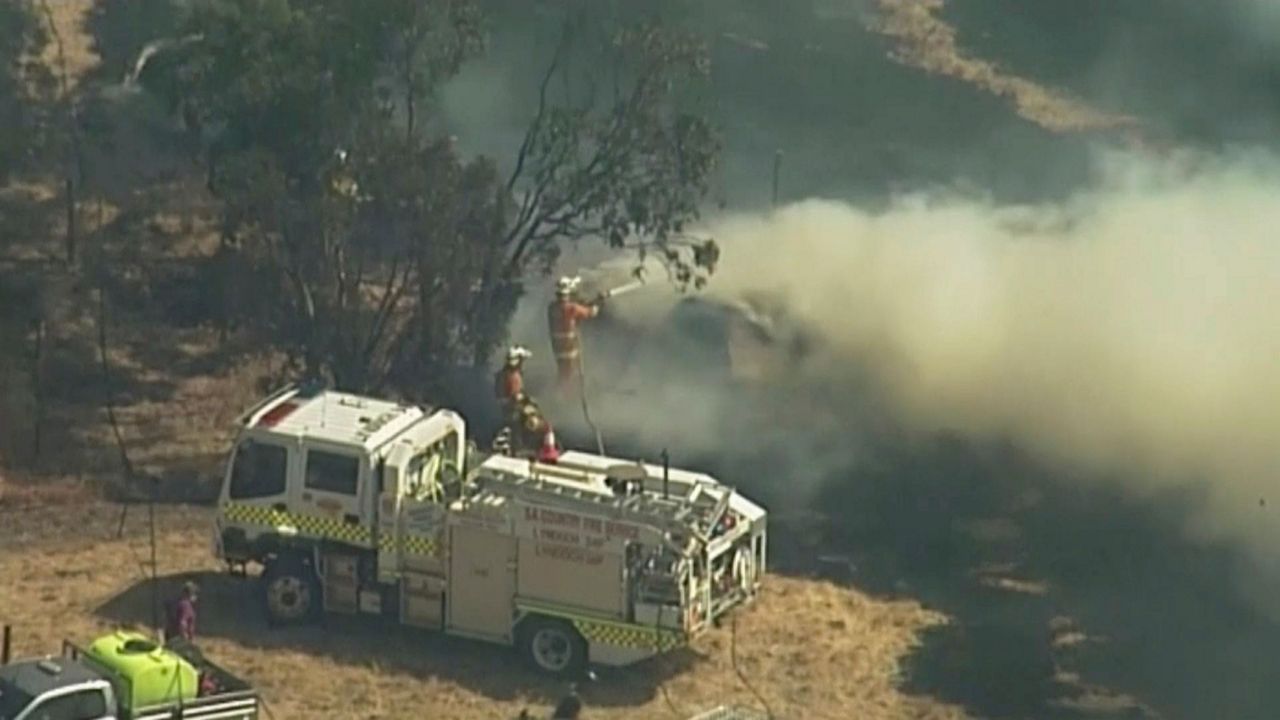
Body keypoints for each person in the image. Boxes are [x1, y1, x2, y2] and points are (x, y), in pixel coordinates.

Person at [547, 276, 603, 395]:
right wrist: (598, 302)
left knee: (563, 371)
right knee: (568, 374)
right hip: (569, 347)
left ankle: (562, 393)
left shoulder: (552, 307)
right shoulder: (571, 308)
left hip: (558, 347)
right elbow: (591, 312)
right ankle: (563, 397)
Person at [494, 345, 532, 416]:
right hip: (511, 412)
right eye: (521, 360)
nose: (522, 364)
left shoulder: (517, 374)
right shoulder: (504, 375)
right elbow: (500, 396)